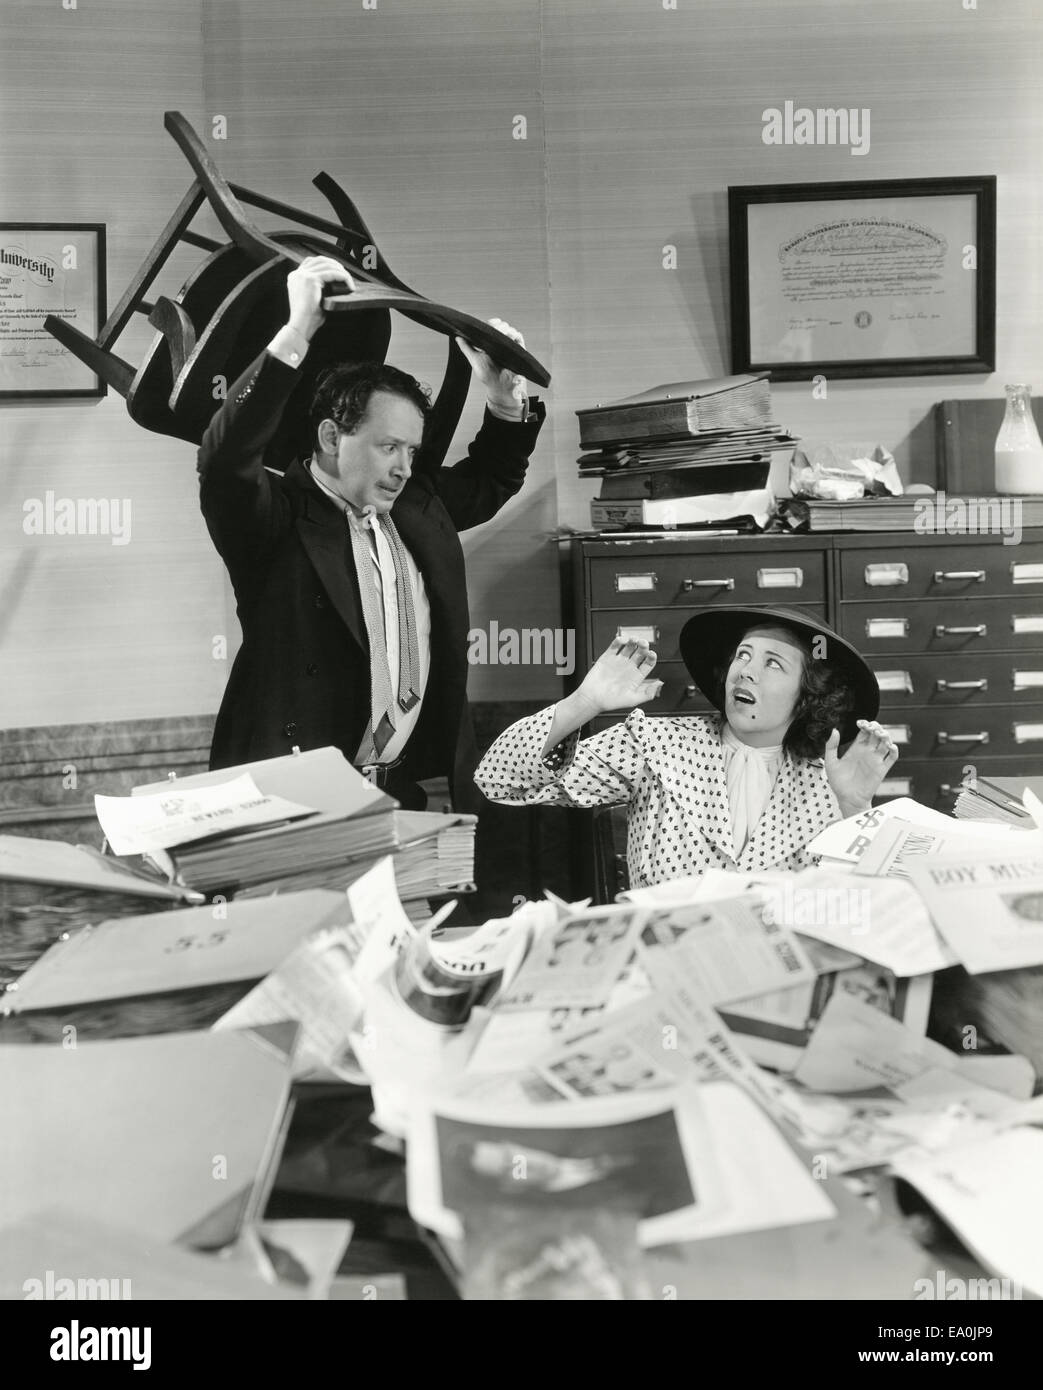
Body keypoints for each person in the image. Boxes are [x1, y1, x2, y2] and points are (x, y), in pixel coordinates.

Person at [198, 255, 544, 809]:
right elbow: (224, 460)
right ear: (333, 437)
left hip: (410, 794)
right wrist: (296, 332)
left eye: (411, 449)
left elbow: (491, 479)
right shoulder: (273, 518)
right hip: (292, 801)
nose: (405, 467)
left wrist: (503, 399)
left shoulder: (415, 505)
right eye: (389, 448)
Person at [475, 605, 899, 887]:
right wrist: (585, 702)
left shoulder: (829, 778)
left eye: (773, 663)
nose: (746, 671)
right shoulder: (655, 743)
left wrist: (856, 810)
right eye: (743, 655)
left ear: (807, 695)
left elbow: (865, 908)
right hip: (661, 978)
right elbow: (500, 779)